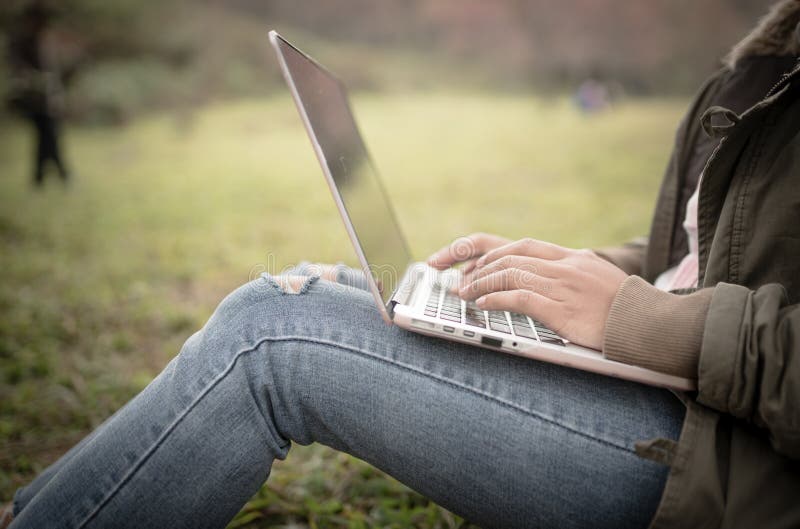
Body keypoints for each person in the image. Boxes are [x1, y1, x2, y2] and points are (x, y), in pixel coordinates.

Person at [3, 1, 800, 528]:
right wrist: (572, 272)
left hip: (723, 460)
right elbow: (704, 256)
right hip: (669, 381)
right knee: (320, 288)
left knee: (272, 332)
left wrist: (639, 316)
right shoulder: (775, 51)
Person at [6, 2, 71, 187]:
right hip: (34, 99)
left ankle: (42, 177)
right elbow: (18, 69)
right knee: (48, 135)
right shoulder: (21, 41)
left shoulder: (46, 40)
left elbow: (55, 70)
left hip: (50, 98)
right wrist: (34, 79)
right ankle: (58, 174)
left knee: (48, 135)